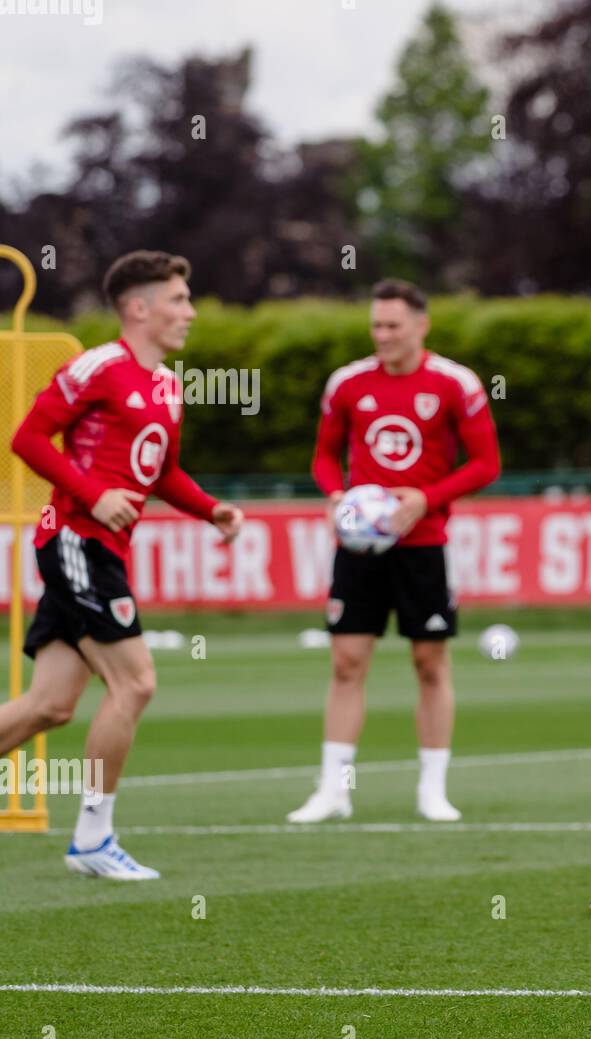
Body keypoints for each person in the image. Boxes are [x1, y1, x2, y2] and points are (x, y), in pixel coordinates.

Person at [2, 250, 244, 879]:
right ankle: (91, 839)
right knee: (135, 683)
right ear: (138, 308)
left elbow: (161, 473)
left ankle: (91, 839)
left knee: (48, 707)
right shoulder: (99, 366)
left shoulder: (167, 384)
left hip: (103, 549)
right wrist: (91, 492)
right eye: (178, 300)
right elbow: (27, 437)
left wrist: (211, 509)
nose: (189, 312)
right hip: (76, 542)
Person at [288, 279, 500, 824]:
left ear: (420, 326)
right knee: (346, 661)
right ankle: (333, 789)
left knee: (429, 662)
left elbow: (485, 464)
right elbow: (323, 457)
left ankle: (433, 788)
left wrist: (425, 499)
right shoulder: (348, 383)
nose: (382, 335)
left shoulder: (455, 383)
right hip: (359, 547)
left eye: (393, 326)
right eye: (376, 326)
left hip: (425, 545)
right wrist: (336, 496)